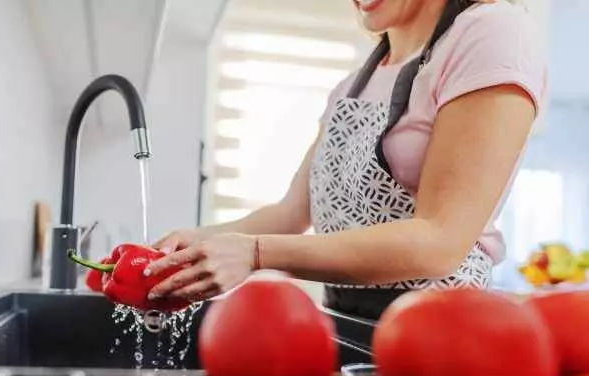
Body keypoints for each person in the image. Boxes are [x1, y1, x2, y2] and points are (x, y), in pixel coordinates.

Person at [144, 0, 546, 319]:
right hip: (348, 326)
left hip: (438, 332)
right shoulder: (353, 85)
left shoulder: (492, 33)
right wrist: (194, 245)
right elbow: (290, 213)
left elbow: (439, 241)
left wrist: (253, 253)